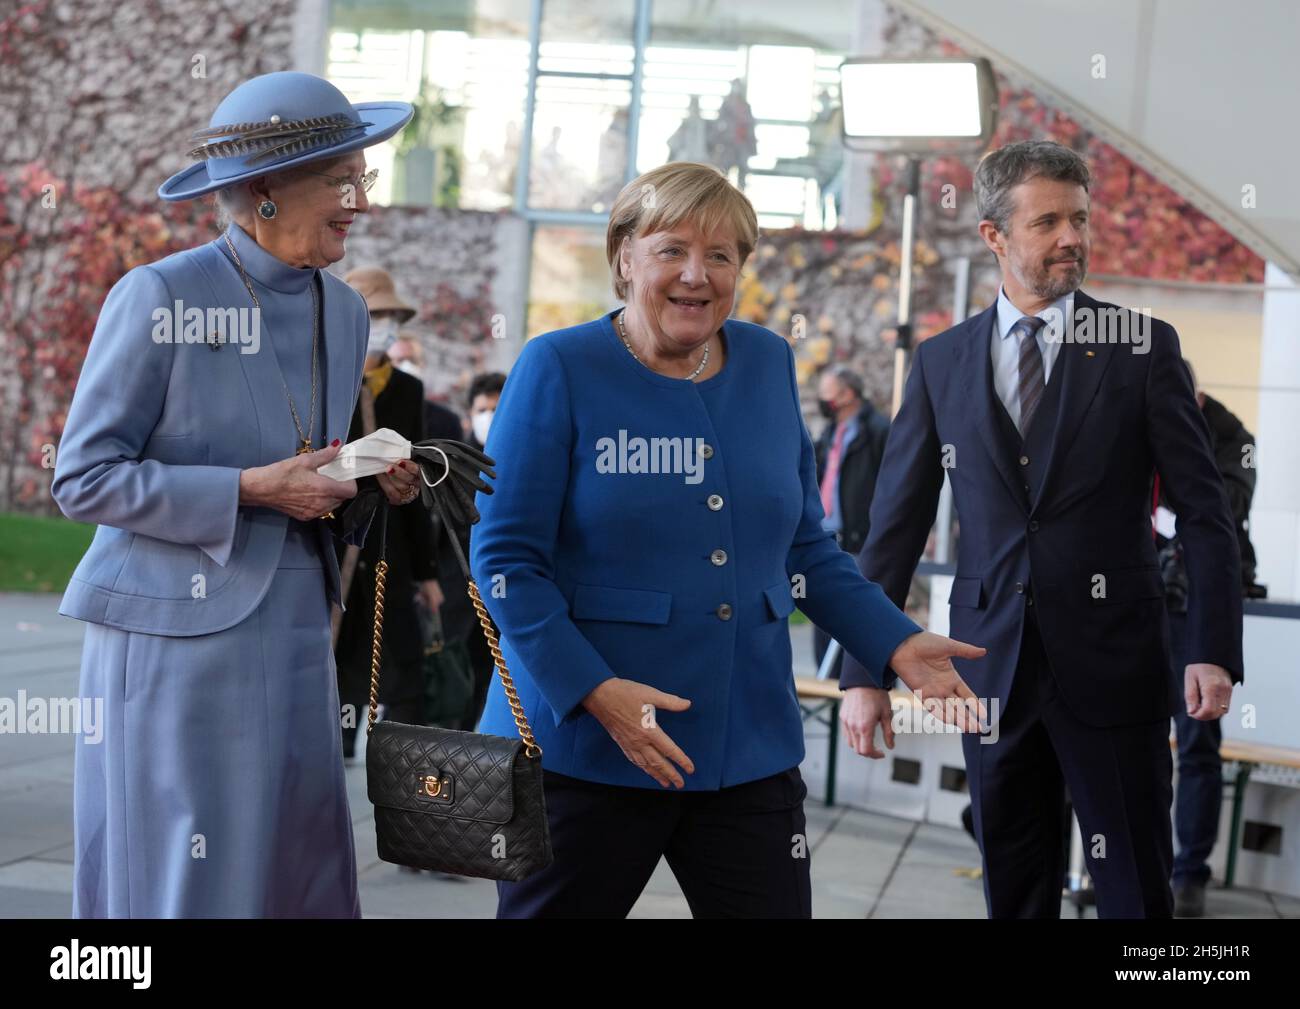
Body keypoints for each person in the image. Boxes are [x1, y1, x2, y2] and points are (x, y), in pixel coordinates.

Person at [469, 161, 985, 919]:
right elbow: (505, 560)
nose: (696, 274)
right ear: (624, 256)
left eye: (721, 255)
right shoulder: (559, 366)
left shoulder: (769, 361)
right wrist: (595, 693)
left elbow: (805, 547)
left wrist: (896, 642)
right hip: (585, 751)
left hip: (745, 744)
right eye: (672, 249)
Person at [839, 140, 1243, 919]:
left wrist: (1212, 649)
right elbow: (894, 529)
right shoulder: (939, 362)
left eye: (1080, 219)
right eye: (1048, 220)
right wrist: (864, 673)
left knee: (1134, 891)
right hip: (986, 674)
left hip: (1115, 666)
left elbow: (1205, 513)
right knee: (1014, 891)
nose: (1072, 237)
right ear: (994, 235)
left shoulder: (1143, 349)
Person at [51, 72, 421, 918]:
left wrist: (367, 477)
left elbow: (310, 464)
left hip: (298, 624)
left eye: (360, 177)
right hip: (174, 638)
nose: (358, 200)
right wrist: (252, 488)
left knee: (292, 858)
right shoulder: (159, 295)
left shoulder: (346, 311)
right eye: (341, 179)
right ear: (262, 191)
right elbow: (83, 476)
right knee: (183, 868)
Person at [1158, 358, 1258, 917]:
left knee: (1197, 743)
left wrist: (1173, 503)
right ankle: (1122, 859)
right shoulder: (1136, 418)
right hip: (1136, 594)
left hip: (1195, 601)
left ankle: (1190, 872)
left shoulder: (1232, 435)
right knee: (1120, 734)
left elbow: (1227, 508)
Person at [335, 267, 440, 759]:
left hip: (390, 545)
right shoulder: (328, 376)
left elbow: (414, 479)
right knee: (337, 657)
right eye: (377, 314)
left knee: (402, 664)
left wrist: (427, 572)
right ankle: (335, 754)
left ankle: (410, 776)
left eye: (393, 316)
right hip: (333, 539)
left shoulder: (407, 389)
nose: (388, 325)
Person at [812, 365, 890, 678]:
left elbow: (893, 484)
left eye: (826, 392)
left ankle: (863, 681)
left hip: (860, 539)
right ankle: (828, 685)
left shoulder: (878, 430)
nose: (821, 399)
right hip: (826, 538)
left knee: (860, 613)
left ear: (847, 394)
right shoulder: (830, 433)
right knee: (823, 614)